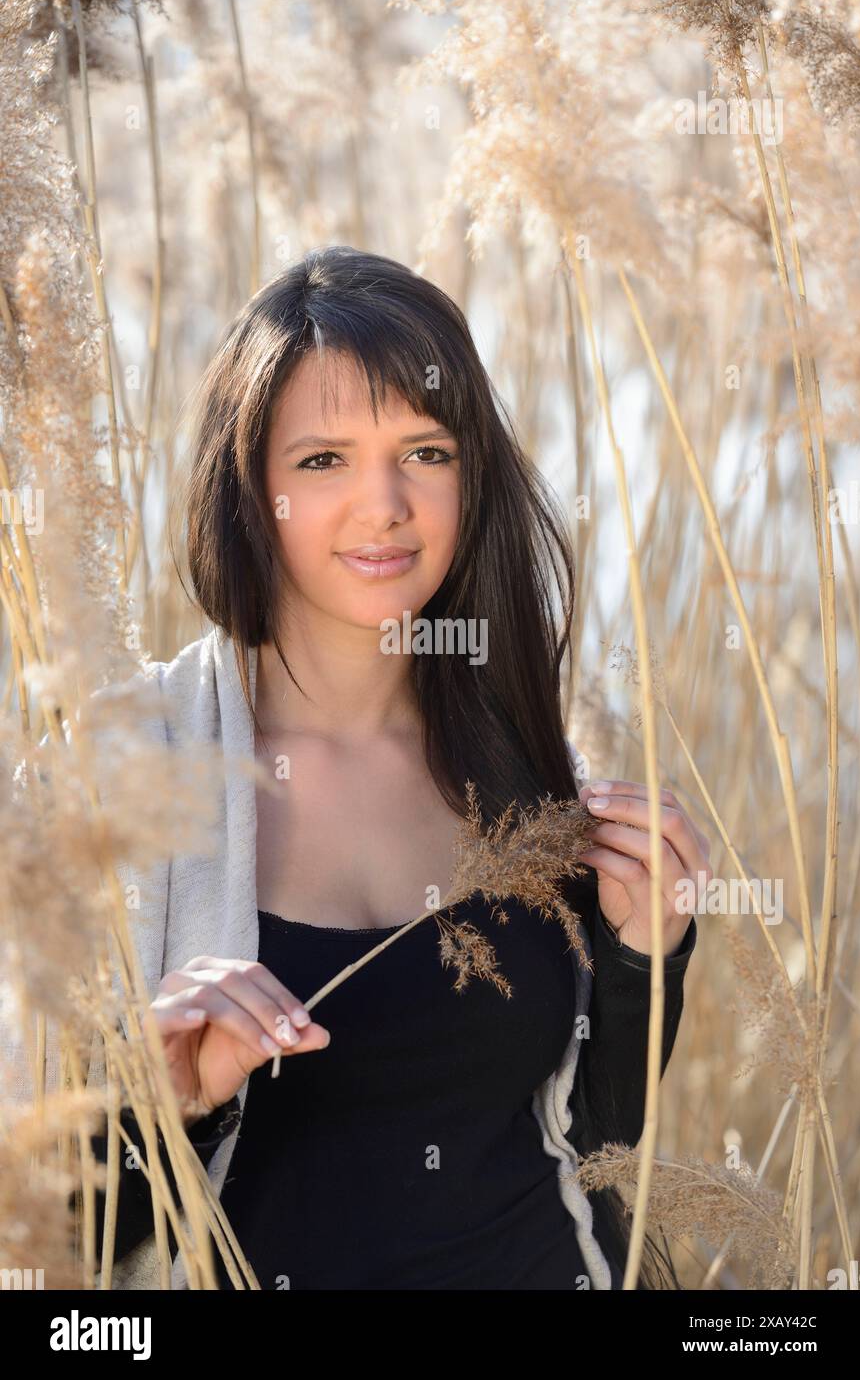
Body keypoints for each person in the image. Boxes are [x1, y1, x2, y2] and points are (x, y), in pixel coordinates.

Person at [84, 245, 709, 1289]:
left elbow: (595, 1127)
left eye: (425, 451)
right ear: (249, 488)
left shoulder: (524, 743)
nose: (386, 504)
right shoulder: (130, 774)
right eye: (323, 460)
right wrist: (174, 1108)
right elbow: (69, 1244)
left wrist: (651, 950)